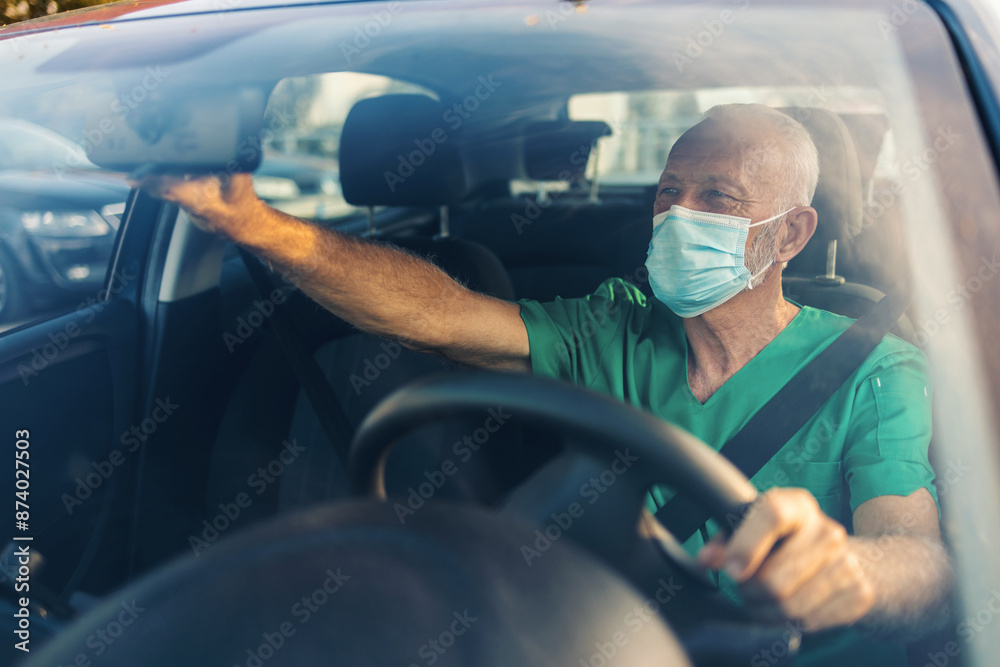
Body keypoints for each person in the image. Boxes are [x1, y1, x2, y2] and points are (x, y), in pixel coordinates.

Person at [135, 103, 951, 664]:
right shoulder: (615, 322)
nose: (677, 216)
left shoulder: (872, 369)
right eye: (668, 193)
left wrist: (848, 568)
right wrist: (256, 224)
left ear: (791, 234)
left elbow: (920, 557)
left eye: (717, 198)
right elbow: (443, 317)